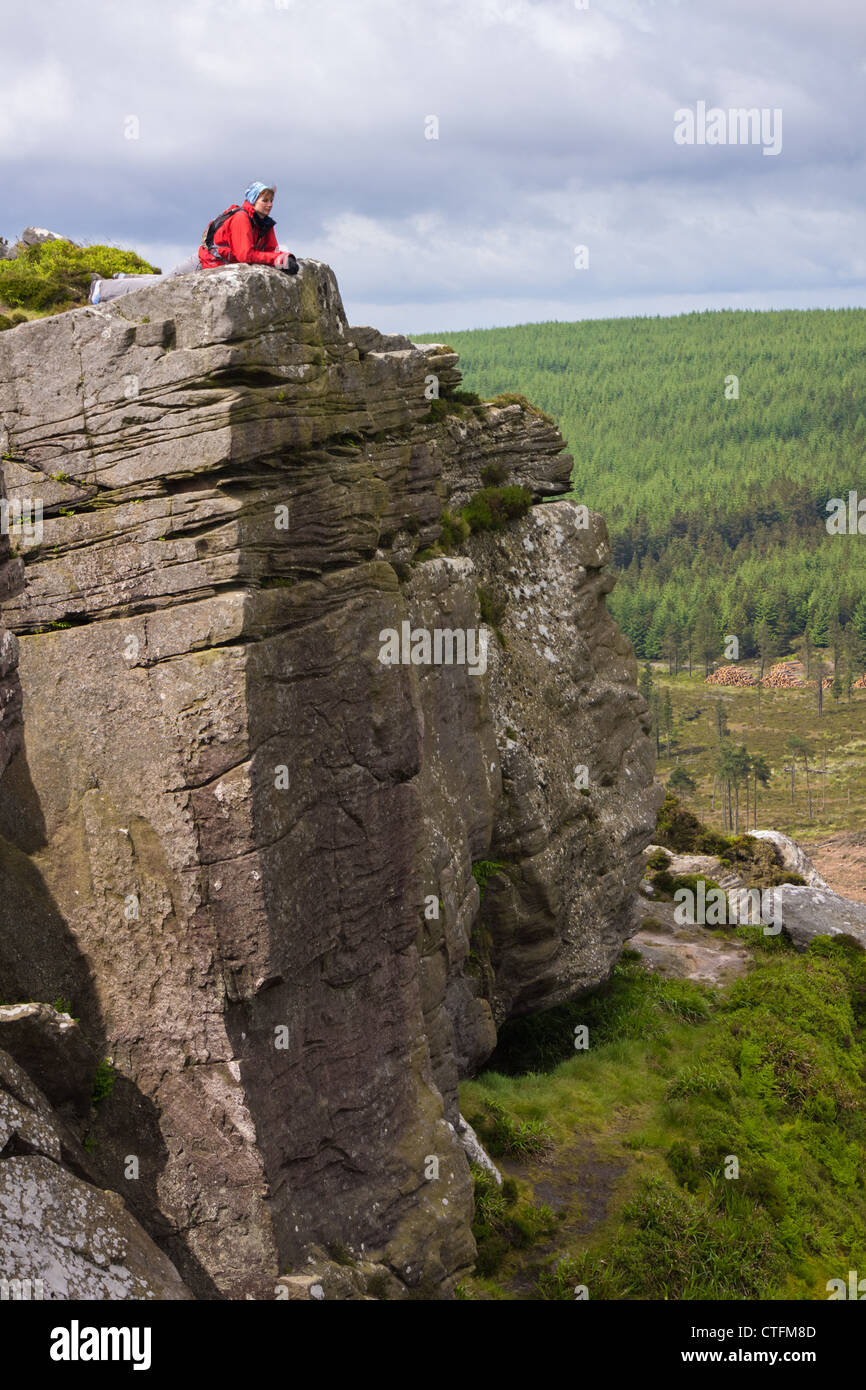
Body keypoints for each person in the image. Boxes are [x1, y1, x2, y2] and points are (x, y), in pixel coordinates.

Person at [89, 182, 298, 304]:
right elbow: (245, 255)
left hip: (216, 267)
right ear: (253, 201)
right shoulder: (243, 218)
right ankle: (102, 289)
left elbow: (271, 250)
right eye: (265, 200)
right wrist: (275, 259)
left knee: (164, 281)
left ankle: (124, 278)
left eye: (271, 201)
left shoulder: (264, 224)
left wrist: (281, 258)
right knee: (157, 287)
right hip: (204, 263)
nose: (270, 205)